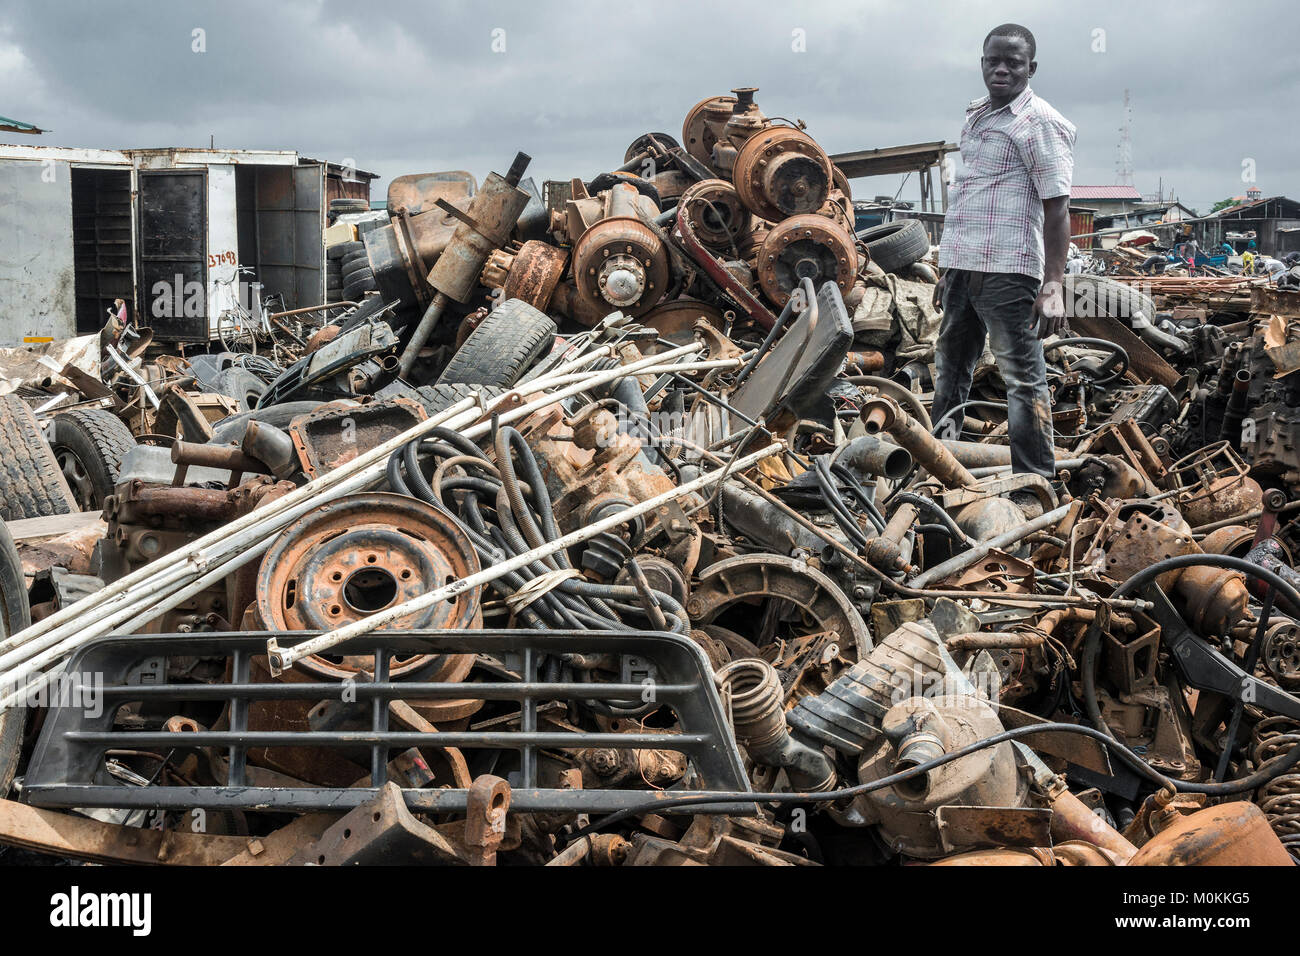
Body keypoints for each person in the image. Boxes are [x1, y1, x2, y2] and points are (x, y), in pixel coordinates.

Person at [931, 23, 1075, 477]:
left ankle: (1035, 483)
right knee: (951, 370)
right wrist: (948, 268)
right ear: (982, 63)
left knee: (1023, 380)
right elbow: (974, 196)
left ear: (1031, 68)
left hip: (1009, 272)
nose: (1001, 69)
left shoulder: (1041, 123)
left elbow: (1057, 209)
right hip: (963, 268)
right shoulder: (976, 114)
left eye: (1013, 63)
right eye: (993, 60)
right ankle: (940, 464)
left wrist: (1054, 284)